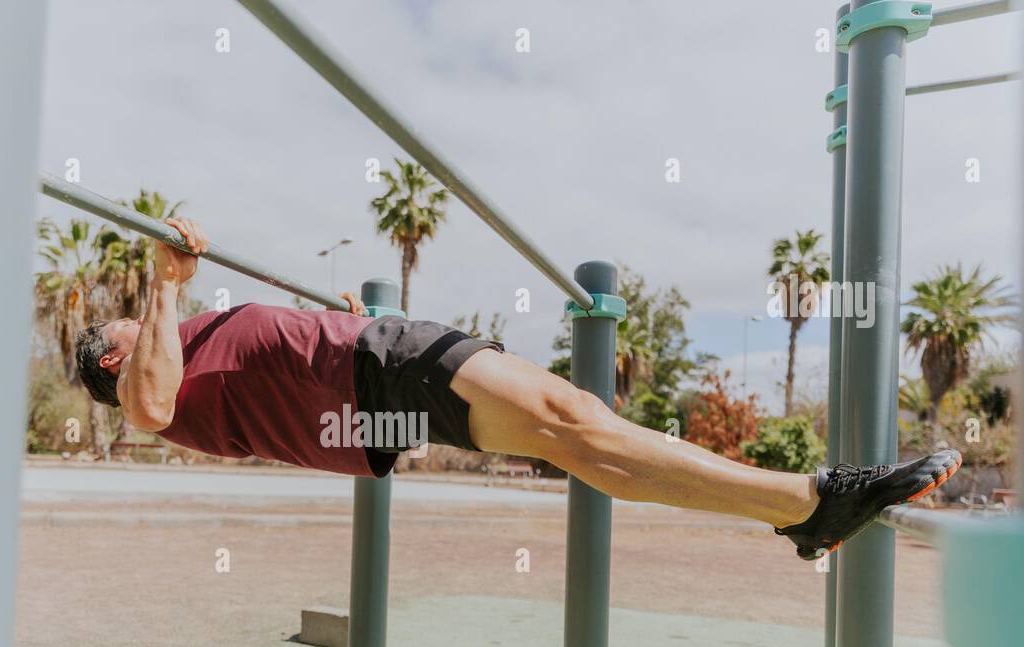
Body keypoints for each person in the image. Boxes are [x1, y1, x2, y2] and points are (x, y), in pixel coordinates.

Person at [74, 218, 959, 560]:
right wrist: (162, 286)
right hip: (375, 373)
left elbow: (251, 375)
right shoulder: (156, 365)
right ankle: (812, 504)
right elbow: (150, 406)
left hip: (366, 383)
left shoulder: (190, 351)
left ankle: (802, 510)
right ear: (111, 360)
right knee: (576, 420)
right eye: (119, 330)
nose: (134, 316)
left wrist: (333, 323)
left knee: (575, 437)